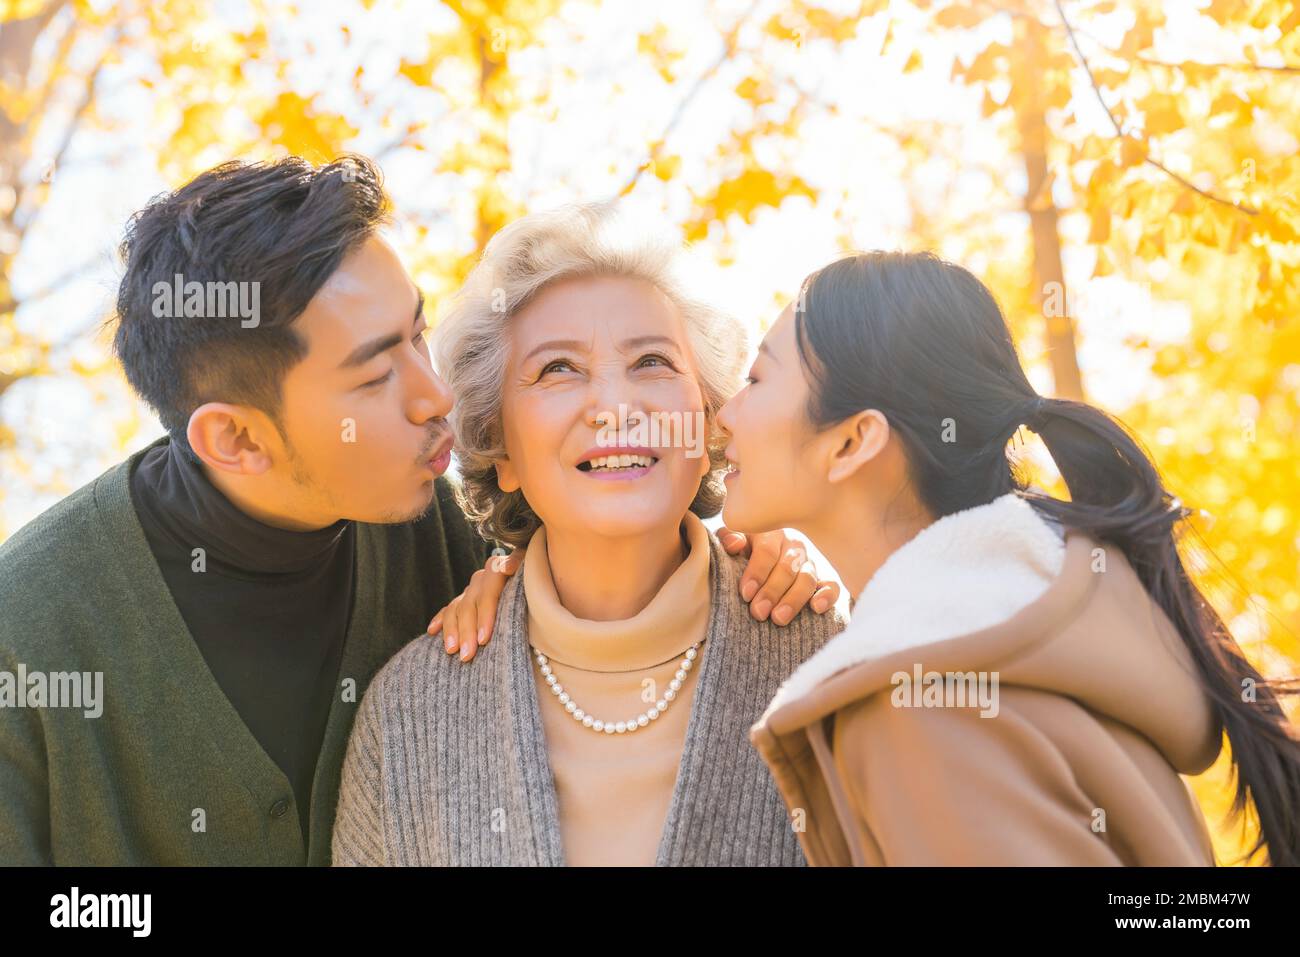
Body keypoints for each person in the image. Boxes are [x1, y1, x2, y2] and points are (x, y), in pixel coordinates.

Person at [0, 156, 806, 865]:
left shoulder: (445, 539)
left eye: (416, 336)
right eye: (375, 375)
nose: (437, 396)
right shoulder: (27, 634)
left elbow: (605, 543)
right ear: (238, 438)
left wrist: (768, 539)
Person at [722, 250, 1300, 866]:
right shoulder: (1038, 630)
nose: (725, 412)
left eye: (756, 379)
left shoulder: (918, 698)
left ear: (852, 442)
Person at [332, 204, 846, 866]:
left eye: (653, 361)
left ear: (710, 418)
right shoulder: (407, 715)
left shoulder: (828, 661)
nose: (614, 407)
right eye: (558, 369)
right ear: (501, 448)